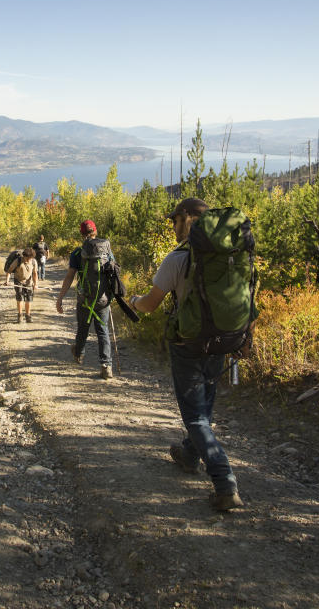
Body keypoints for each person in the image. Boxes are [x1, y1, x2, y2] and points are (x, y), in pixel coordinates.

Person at [124, 197, 243, 511]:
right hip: (222, 340)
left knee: (194, 415)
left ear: (189, 218)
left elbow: (151, 305)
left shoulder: (177, 258)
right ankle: (191, 454)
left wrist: (134, 300)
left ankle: (224, 481)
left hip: (188, 344)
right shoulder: (230, 253)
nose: (173, 226)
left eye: (175, 220)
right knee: (203, 406)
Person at [55, 220, 114, 379]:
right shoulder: (107, 251)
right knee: (103, 331)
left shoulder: (77, 253)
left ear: (81, 234)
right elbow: (113, 272)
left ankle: (79, 353)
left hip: (84, 298)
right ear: (95, 231)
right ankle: (106, 365)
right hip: (103, 299)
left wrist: (60, 298)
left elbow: (69, 277)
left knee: (83, 328)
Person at [4, 246, 38, 323]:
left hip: (29, 282)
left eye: (31, 258)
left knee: (29, 299)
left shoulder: (33, 262)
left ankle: (28, 316)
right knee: (20, 298)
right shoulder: (18, 261)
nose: (29, 260)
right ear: (24, 256)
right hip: (18, 281)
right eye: (28, 258)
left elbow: (35, 273)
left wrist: (35, 284)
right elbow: (9, 271)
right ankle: (20, 315)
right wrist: (7, 281)